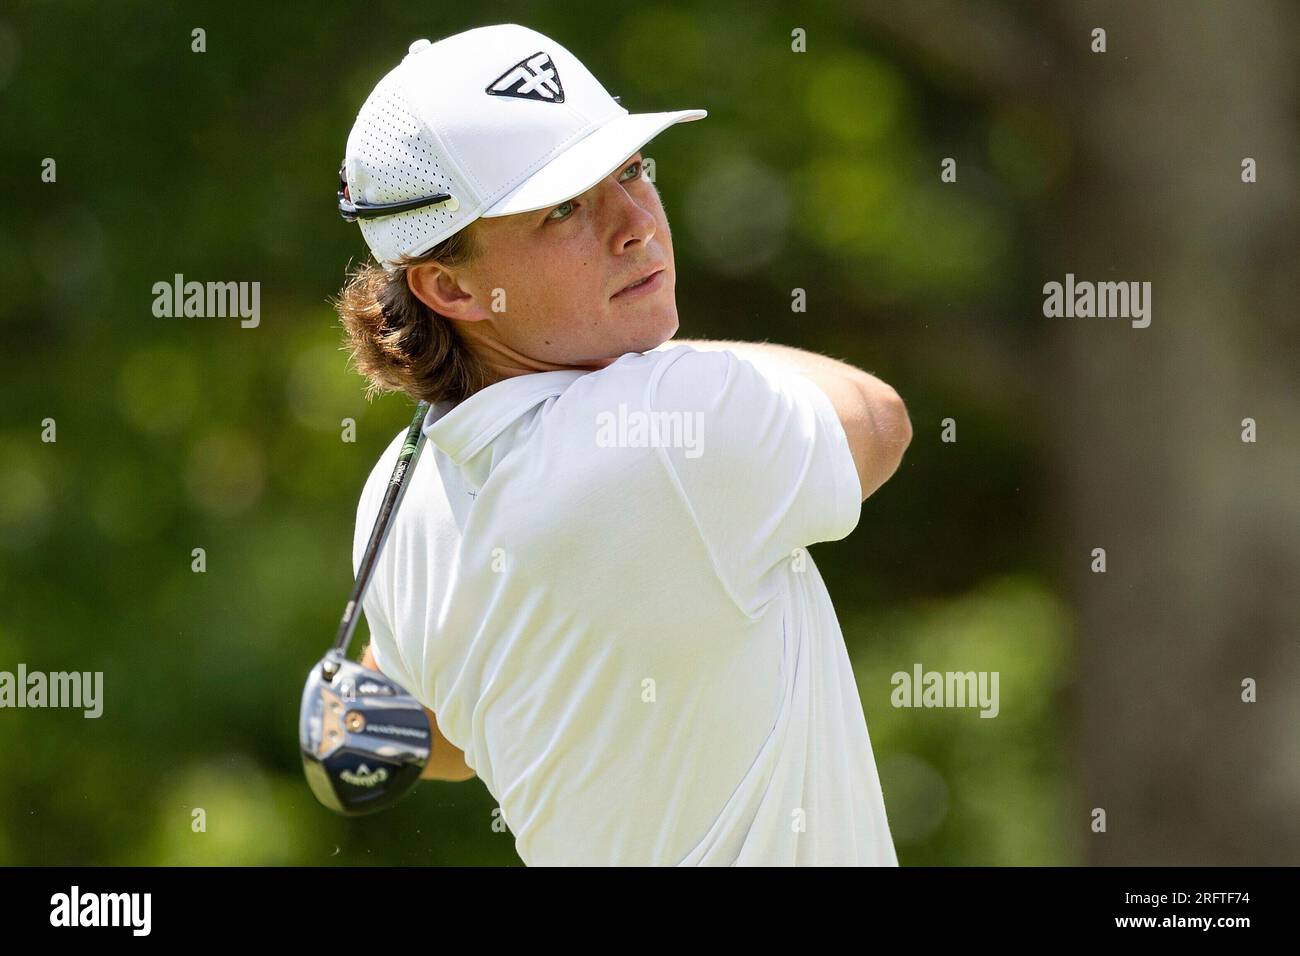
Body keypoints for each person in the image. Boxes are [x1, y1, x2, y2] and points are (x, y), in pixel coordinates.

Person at [335, 23, 912, 865]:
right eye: (564, 208)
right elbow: (878, 419)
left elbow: (443, 737)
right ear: (449, 285)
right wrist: (653, 362)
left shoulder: (397, 493)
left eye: (631, 171)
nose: (635, 224)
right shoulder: (668, 428)